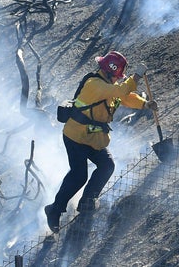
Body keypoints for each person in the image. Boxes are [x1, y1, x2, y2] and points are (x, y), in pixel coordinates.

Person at [44, 50, 153, 232]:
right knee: (79, 175)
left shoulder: (108, 86)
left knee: (107, 165)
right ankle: (54, 209)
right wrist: (135, 78)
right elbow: (120, 90)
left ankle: (87, 202)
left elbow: (124, 97)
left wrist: (145, 104)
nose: (118, 79)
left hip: (92, 138)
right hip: (76, 136)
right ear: (110, 72)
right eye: (117, 76)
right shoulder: (95, 84)